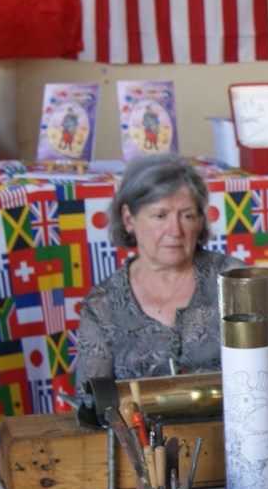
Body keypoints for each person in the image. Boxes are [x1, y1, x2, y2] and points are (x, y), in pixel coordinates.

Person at [75, 153, 244, 384]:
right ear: (128, 219)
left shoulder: (233, 279)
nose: (175, 230)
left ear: (200, 222)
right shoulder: (102, 305)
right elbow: (91, 402)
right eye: (160, 215)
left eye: (187, 216)